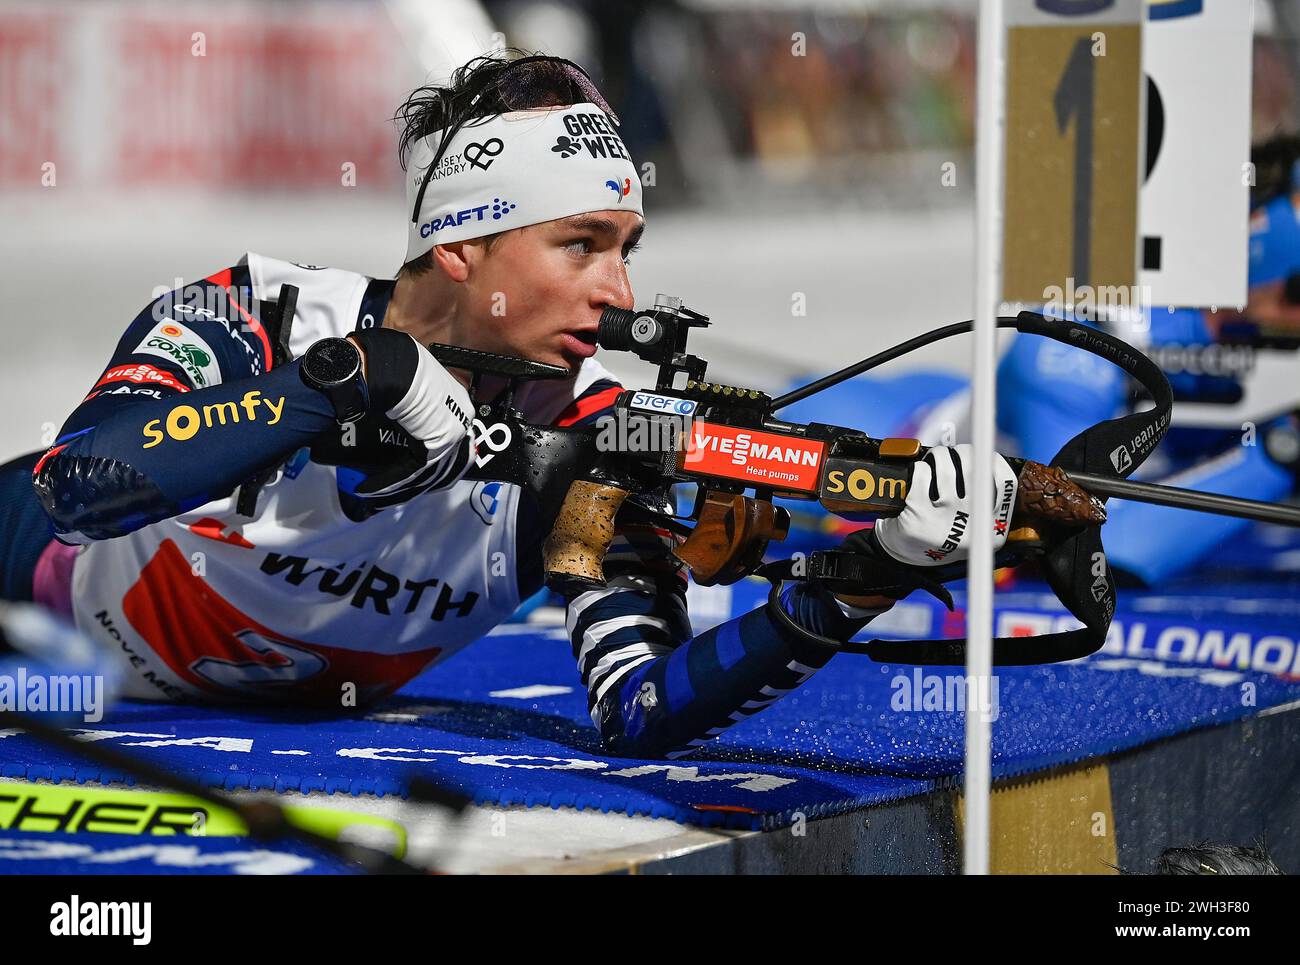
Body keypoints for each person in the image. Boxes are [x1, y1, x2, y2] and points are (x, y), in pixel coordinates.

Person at [1, 52, 1017, 759]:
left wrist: (869, 573)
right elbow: (79, 482)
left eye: (627, 252)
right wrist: (350, 376)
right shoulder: (255, 311)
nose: (618, 293)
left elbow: (643, 708)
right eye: (581, 245)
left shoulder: (588, 444)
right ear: (461, 246)